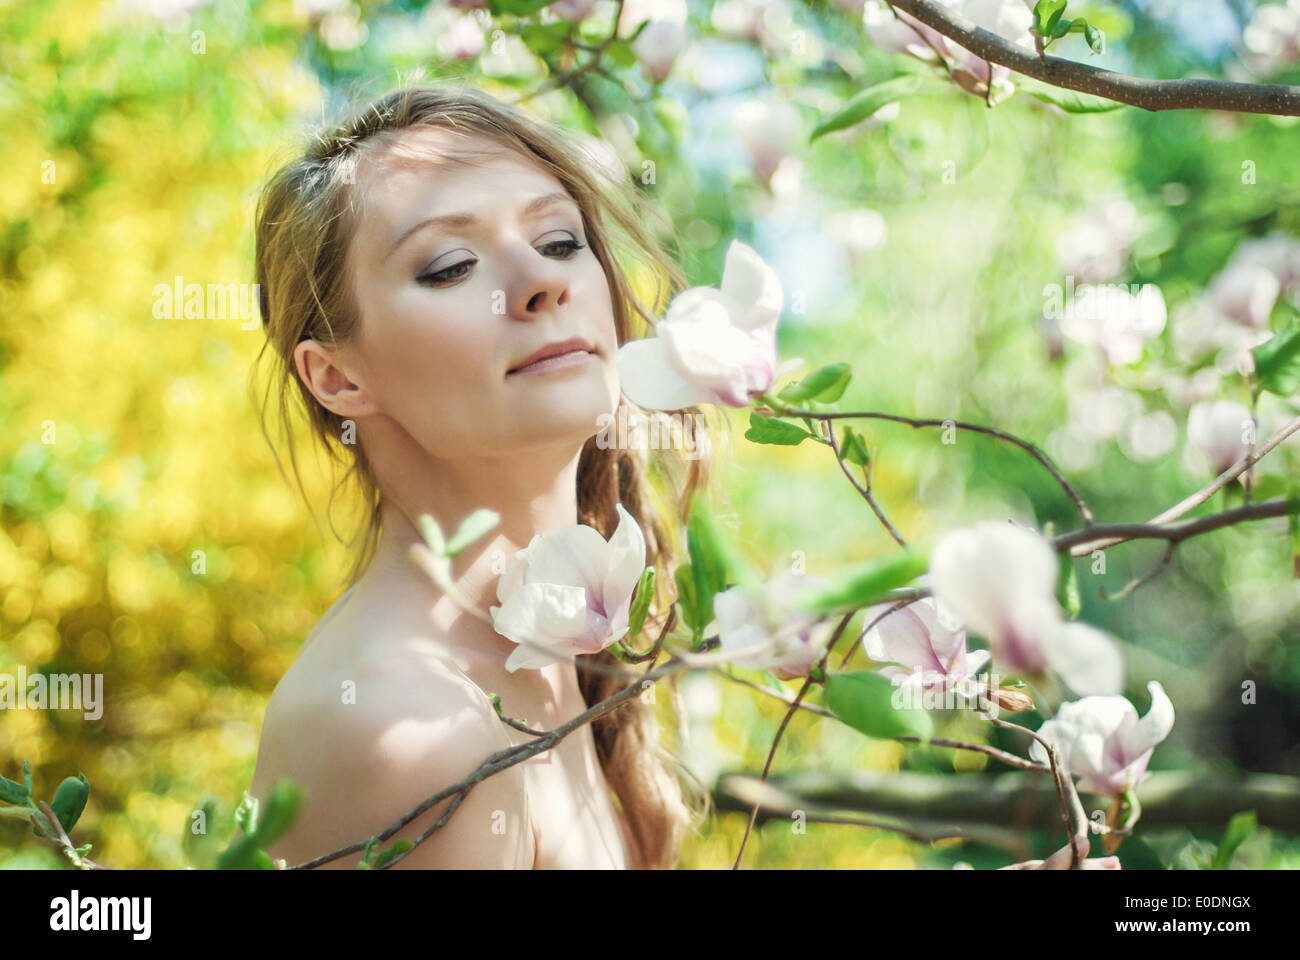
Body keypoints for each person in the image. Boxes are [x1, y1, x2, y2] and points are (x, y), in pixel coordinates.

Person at [246, 84, 713, 869]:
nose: (541, 281)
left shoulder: (559, 657)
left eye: (562, 241)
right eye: (451, 265)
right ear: (337, 378)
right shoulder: (403, 725)